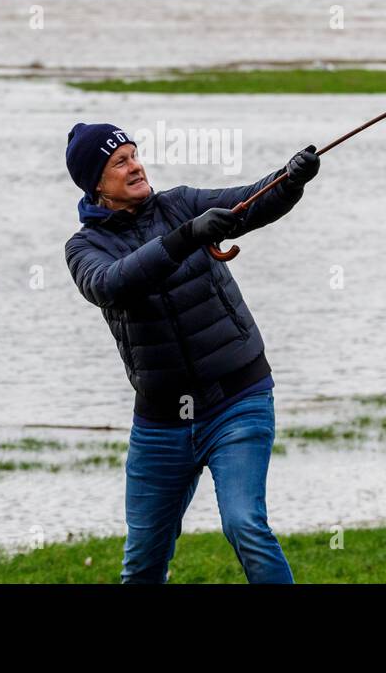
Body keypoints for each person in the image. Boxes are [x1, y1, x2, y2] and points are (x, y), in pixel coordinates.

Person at [63, 122, 320, 583]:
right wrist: (186, 237)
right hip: (160, 424)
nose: (135, 166)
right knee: (142, 561)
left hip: (237, 401)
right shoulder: (85, 248)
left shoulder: (179, 203)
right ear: (95, 183)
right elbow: (111, 284)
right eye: (119, 161)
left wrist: (292, 178)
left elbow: (251, 202)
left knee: (244, 524)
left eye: (135, 155)